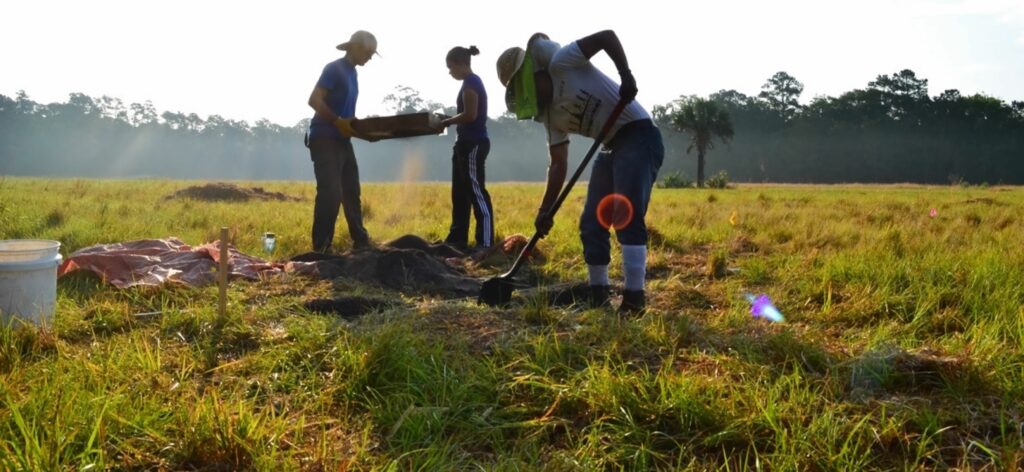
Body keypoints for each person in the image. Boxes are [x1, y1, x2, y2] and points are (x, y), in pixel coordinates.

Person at [496, 31, 664, 314]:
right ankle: (598, 294)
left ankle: (635, 298)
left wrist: (626, 75)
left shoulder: (563, 63)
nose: (531, 95)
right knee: (591, 223)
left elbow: (607, 37)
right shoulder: (550, 117)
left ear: (535, 72)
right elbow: (558, 164)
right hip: (611, 146)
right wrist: (545, 210)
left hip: (639, 135)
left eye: (527, 86)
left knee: (627, 215)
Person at [306, 30, 381, 253]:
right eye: (367, 53)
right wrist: (337, 121)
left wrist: (364, 132)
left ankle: (361, 241)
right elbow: (313, 99)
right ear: (355, 48)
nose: (369, 58)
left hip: (342, 140)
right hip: (324, 138)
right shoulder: (334, 68)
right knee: (331, 192)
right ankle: (321, 246)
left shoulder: (353, 74)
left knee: (351, 190)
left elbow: (347, 118)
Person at [438, 45, 494, 251]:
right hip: (462, 144)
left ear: (462, 64)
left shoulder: (471, 82)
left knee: (476, 192)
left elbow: (470, 115)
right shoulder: (467, 83)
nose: (450, 71)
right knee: (459, 193)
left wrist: (447, 122)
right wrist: (450, 120)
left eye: (451, 67)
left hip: (474, 143)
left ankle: (485, 242)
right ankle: (457, 239)